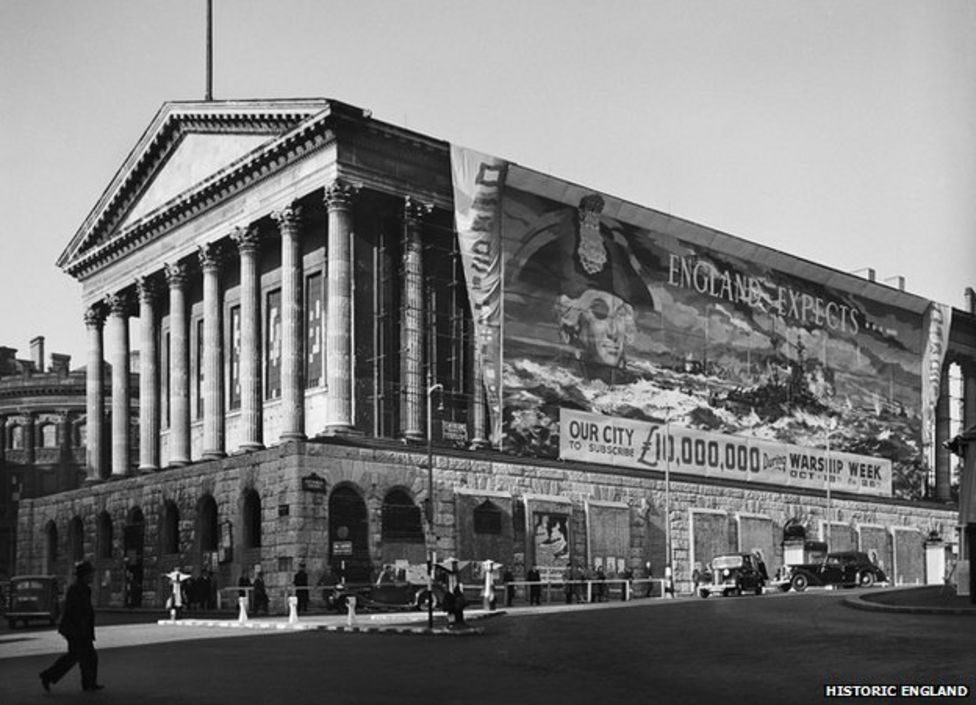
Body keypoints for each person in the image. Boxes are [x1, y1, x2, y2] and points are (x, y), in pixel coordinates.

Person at [39, 560, 103, 692]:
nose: (92, 576)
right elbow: (74, 612)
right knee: (78, 656)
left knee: (85, 657)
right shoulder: (76, 589)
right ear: (84, 575)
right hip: (75, 630)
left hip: (80, 630)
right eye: (90, 574)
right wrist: (81, 630)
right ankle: (48, 675)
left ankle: (89, 683)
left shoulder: (85, 588)